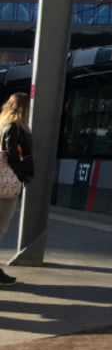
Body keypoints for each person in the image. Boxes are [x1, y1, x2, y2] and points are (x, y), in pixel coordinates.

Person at [0, 92, 32, 286]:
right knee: (0, 228)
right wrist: (22, 176)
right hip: (6, 185)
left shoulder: (2, 125)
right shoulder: (15, 128)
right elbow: (13, 156)